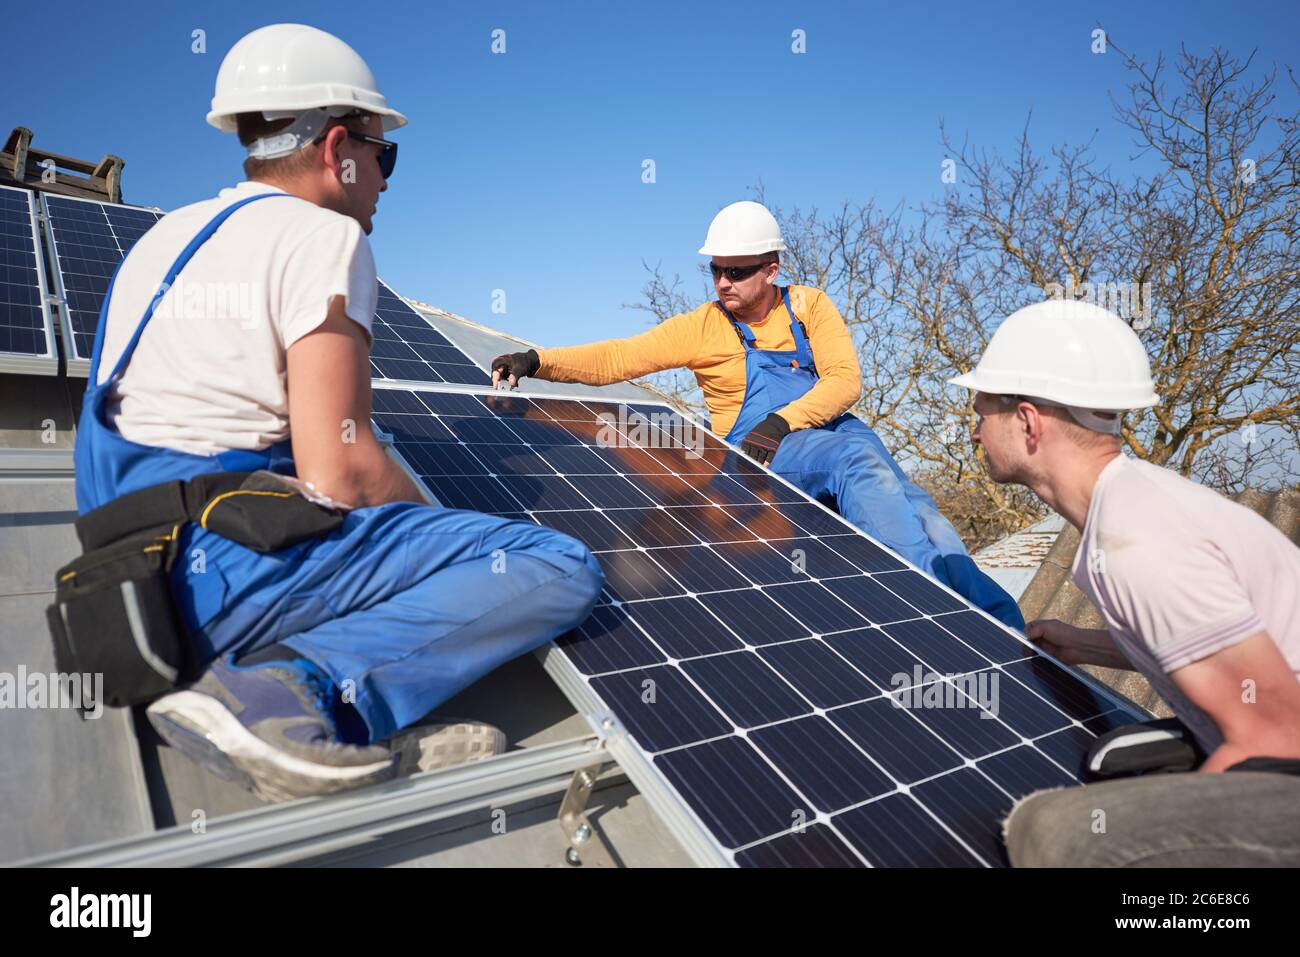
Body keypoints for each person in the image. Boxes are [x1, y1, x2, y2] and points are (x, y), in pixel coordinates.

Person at [73, 24, 604, 802]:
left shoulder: (159, 239)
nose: (386, 179)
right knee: (558, 565)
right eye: (384, 155)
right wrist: (445, 547)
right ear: (336, 149)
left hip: (122, 595)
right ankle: (282, 689)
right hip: (218, 580)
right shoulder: (322, 236)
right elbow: (345, 469)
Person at [490, 201, 1023, 629]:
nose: (723, 283)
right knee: (857, 463)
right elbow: (618, 357)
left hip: (822, 431)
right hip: (755, 454)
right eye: (716, 271)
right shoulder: (703, 326)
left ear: (772, 269)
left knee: (928, 516)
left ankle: (1011, 635)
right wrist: (537, 360)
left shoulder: (809, 306)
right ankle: (925, 604)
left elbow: (845, 380)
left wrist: (785, 418)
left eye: (737, 272)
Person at [948, 298, 1300, 866]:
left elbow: (1276, 738)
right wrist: (1081, 643)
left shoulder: (1137, 539)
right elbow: (1216, 648)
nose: (973, 432)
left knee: (1055, 829)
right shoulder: (1134, 503)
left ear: (1029, 421)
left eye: (982, 410)